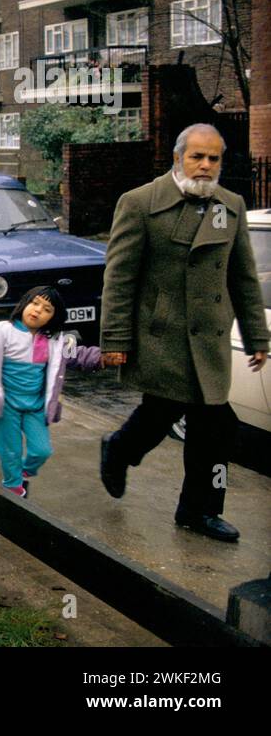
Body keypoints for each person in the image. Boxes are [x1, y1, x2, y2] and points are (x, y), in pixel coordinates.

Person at [99, 123, 268, 542]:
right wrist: (115, 341)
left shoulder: (229, 205)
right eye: (197, 156)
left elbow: (244, 279)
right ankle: (126, 453)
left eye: (214, 158)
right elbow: (119, 279)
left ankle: (197, 509)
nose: (206, 165)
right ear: (178, 158)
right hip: (163, 337)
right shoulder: (140, 203)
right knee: (173, 414)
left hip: (209, 340)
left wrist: (257, 339)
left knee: (211, 427)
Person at [0, 286, 104, 498]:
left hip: (34, 407)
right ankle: (13, 487)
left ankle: (25, 471)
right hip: (5, 407)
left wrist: (102, 357)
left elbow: (78, 355)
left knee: (42, 450)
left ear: (53, 318)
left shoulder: (54, 341)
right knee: (10, 451)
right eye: (34, 303)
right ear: (24, 303)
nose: (37, 310)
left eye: (46, 309)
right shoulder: (0, 332)